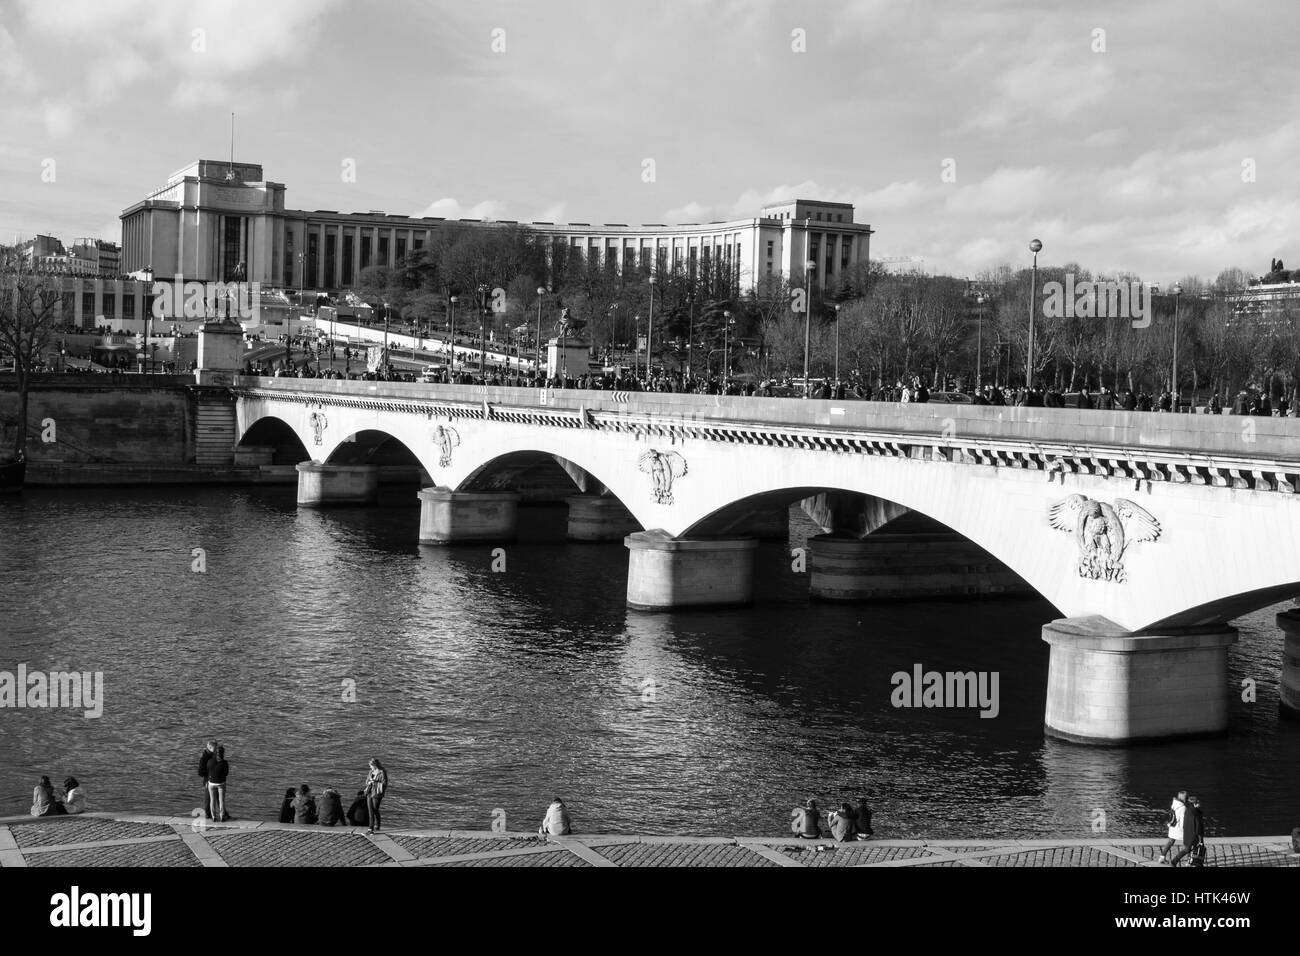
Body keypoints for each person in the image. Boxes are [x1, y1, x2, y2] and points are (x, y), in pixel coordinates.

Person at [1170, 795, 1205, 867]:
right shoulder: (1195, 813)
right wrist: (1200, 838)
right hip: (1193, 836)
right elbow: (1197, 827)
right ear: (1194, 803)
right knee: (1190, 849)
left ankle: (1189, 862)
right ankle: (1175, 861)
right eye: (1197, 802)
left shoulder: (1188, 810)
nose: (1199, 803)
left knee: (1189, 849)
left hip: (1187, 835)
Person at [1158, 790, 1187, 864]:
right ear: (1184, 798)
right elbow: (1183, 820)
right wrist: (1185, 829)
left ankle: (1162, 857)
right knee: (1187, 844)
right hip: (1179, 829)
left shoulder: (1174, 804)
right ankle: (1189, 860)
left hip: (1172, 826)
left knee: (1170, 842)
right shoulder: (1183, 807)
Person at [363, 758, 388, 833]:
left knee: (375, 810)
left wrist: (375, 782)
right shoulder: (371, 772)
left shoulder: (382, 772)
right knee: (370, 810)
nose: (370, 767)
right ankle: (371, 827)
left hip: (377, 793)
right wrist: (369, 782)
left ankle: (377, 824)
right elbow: (366, 782)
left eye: (371, 766)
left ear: (375, 765)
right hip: (369, 792)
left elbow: (385, 784)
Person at [207, 745, 229, 822]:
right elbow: (226, 773)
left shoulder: (210, 761)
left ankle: (213, 817)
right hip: (221, 783)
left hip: (211, 783)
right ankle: (222, 816)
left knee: (212, 800)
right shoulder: (224, 763)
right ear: (223, 753)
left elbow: (208, 770)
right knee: (221, 800)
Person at [197, 739, 217, 819]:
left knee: (217, 797)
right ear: (210, 747)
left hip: (215, 779)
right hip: (208, 780)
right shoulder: (204, 758)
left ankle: (220, 813)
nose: (216, 750)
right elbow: (200, 772)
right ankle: (207, 814)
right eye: (215, 748)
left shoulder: (213, 755)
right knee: (208, 798)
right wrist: (209, 775)